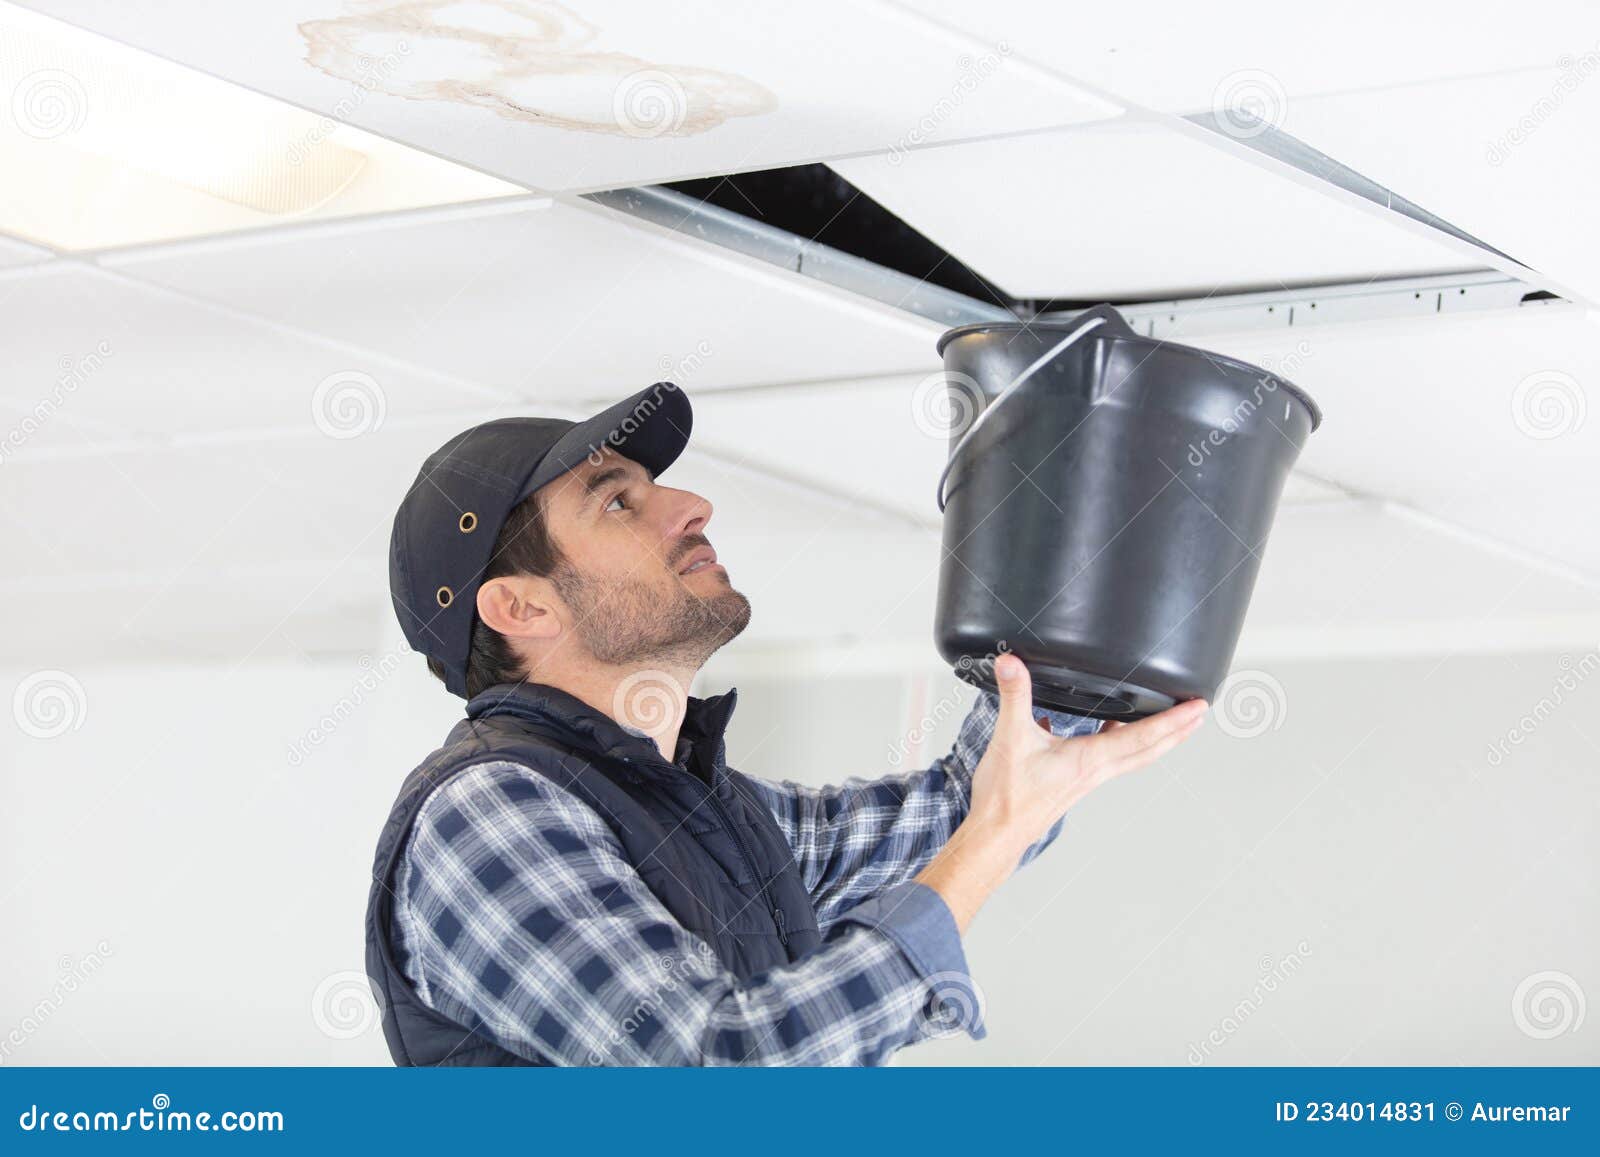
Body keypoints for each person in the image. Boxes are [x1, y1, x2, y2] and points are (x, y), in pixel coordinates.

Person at [366, 382, 1207, 1066]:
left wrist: (1070, 566)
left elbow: (964, 810)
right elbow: (727, 1073)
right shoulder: (483, 815)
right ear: (521, 605)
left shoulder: (711, 813)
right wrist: (994, 829)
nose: (690, 504)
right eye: (617, 503)